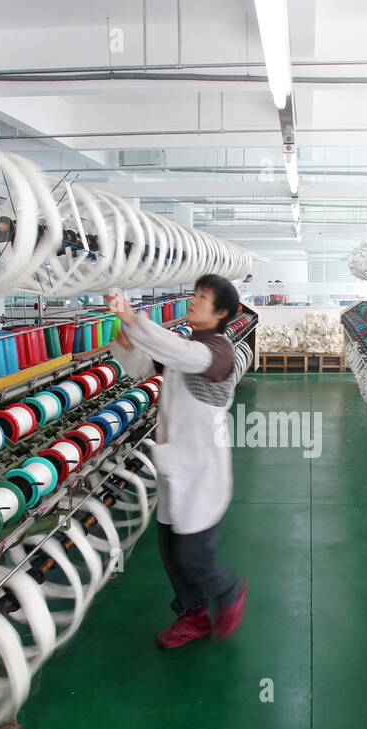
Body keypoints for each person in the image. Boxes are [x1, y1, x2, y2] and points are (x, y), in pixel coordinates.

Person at [106, 275, 247, 648]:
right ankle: (193, 615)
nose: (194, 300)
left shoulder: (216, 352)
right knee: (170, 549)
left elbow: (179, 356)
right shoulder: (185, 347)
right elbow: (145, 368)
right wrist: (126, 343)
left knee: (193, 552)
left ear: (220, 313)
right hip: (176, 467)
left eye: (203, 297)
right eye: (196, 294)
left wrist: (135, 321)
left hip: (202, 471)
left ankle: (229, 590)